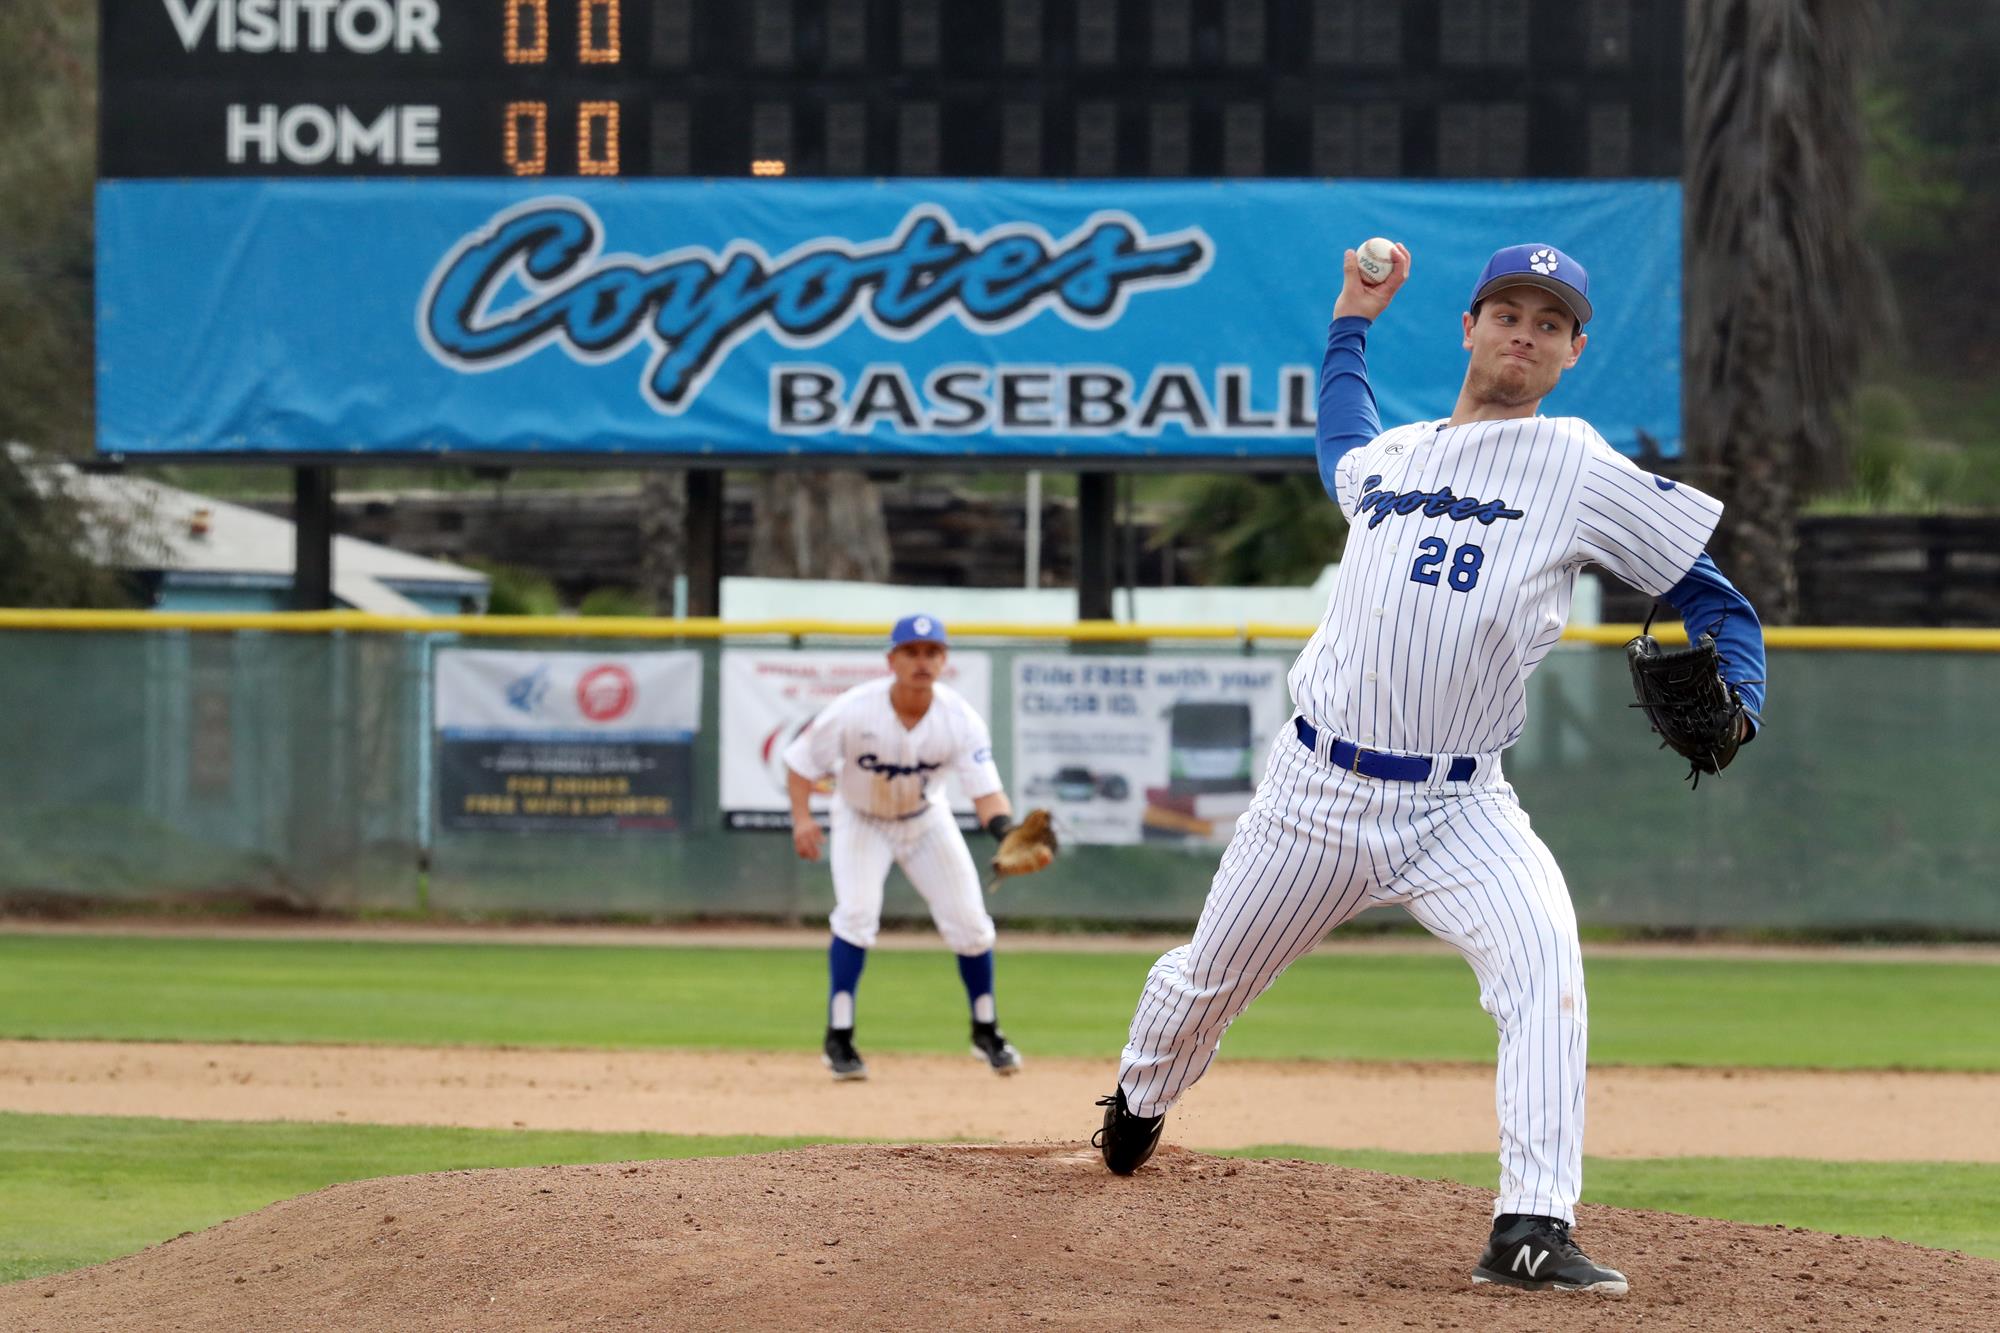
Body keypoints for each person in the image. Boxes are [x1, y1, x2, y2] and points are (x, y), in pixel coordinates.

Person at [1092, 242, 1768, 1296]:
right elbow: (1339, 439)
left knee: (1543, 969)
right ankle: (1136, 1099)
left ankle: (1530, 1226)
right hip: (1311, 796)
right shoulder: (1396, 456)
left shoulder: (1577, 463)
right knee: (1203, 984)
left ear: (1571, 353)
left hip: (1460, 803)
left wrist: (1745, 704)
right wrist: (1348, 321)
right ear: (1468, 326)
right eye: (1507, 311)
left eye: (1548, 323)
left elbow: (1715, 596)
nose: (1523, 333)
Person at [785, 613, 1026, 1081]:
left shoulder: (959, 719)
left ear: (944, 660)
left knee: (973, 926)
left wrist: (1007, 833)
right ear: (891, 659)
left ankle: (986, 1031)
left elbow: (985, 793)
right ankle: (839, 1038)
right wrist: (800, 819)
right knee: (856, 915)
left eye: (931, 652)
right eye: (911, 652)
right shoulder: (853, 709)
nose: (922, 661)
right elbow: (800, 763)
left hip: (925, 820)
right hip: (860, 819)